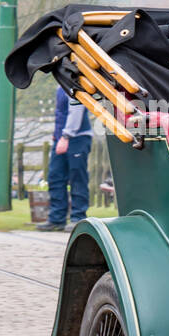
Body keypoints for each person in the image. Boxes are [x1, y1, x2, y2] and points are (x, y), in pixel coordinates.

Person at [37, 87, 94, 232]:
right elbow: (61, 113)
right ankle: (57, 218)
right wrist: (57, 135)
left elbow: (76, 111)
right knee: (55, 177)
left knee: (77, 177)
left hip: (77, 137)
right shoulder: (59, 86)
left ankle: (78, 218)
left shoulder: (74, 85)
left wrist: (66, 135)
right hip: (61, 138)